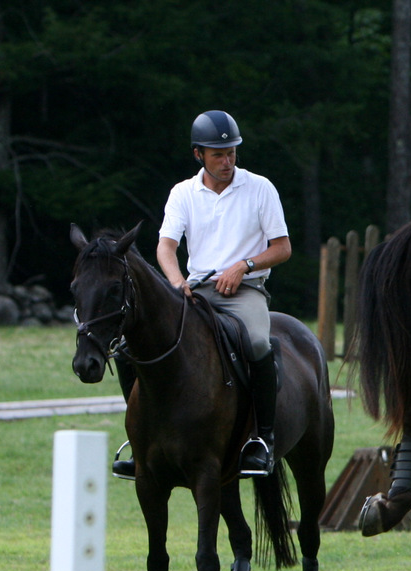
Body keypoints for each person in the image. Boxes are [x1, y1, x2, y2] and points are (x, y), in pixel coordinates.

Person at [110, 111, 292, 479]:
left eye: (232, 153)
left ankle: (263, 440)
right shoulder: (182, 193)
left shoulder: (261, 188)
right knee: (127, 350)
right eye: (218, 155)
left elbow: (282, 248)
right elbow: (166, 247)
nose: (227, 162)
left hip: (244, 290)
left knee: (258, 342)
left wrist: (245, 265)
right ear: (199, 155)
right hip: (195, 291)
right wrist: (177, 281)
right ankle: (140, 437)